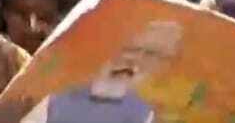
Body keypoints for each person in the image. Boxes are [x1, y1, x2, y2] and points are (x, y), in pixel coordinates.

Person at [22, 20, 183, 123]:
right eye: (128, 48)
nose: (132, 59)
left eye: (150, 54)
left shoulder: (152, 111)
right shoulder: (52, 98)